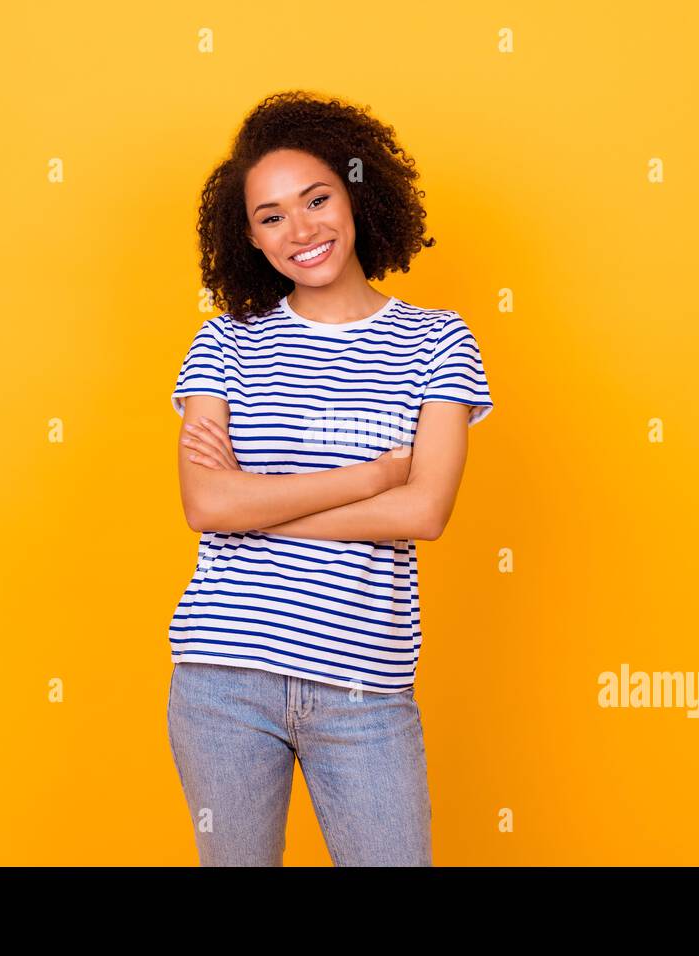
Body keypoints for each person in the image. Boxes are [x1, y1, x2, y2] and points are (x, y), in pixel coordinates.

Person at [166, 90, 494, 866]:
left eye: (316, 200)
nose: (301, 230)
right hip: (224, 677)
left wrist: (255, 508)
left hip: (365, 691)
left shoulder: (438, 340)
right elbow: (206, 502)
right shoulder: (224, 344)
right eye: (272, 215)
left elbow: (423, 514)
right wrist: (373, 474)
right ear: (247, 236)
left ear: (356, 195)